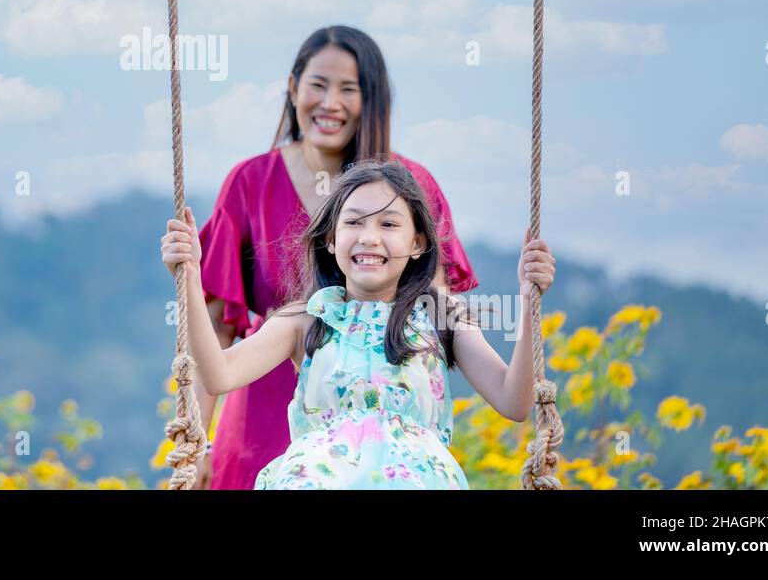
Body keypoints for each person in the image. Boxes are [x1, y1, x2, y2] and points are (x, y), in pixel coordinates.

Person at [194, 25, 478, 489]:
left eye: (349, 89)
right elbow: (214, 326)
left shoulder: (412, 185)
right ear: (293, 89)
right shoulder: (249, 182)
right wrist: (194, 440)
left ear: (373, 100)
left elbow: (437, 314)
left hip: (384, 451)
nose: (330, 103)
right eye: (318, 85)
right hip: (259, 421)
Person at [162, 158, 556, 488]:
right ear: (331, 239)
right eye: (354, 223)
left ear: (418, 243)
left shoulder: (440, 316)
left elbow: (513, 401)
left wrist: (528, 302)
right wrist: (192, 279)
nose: (369, 237)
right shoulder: (306, 318)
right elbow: (218, 374)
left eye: (388, 225)